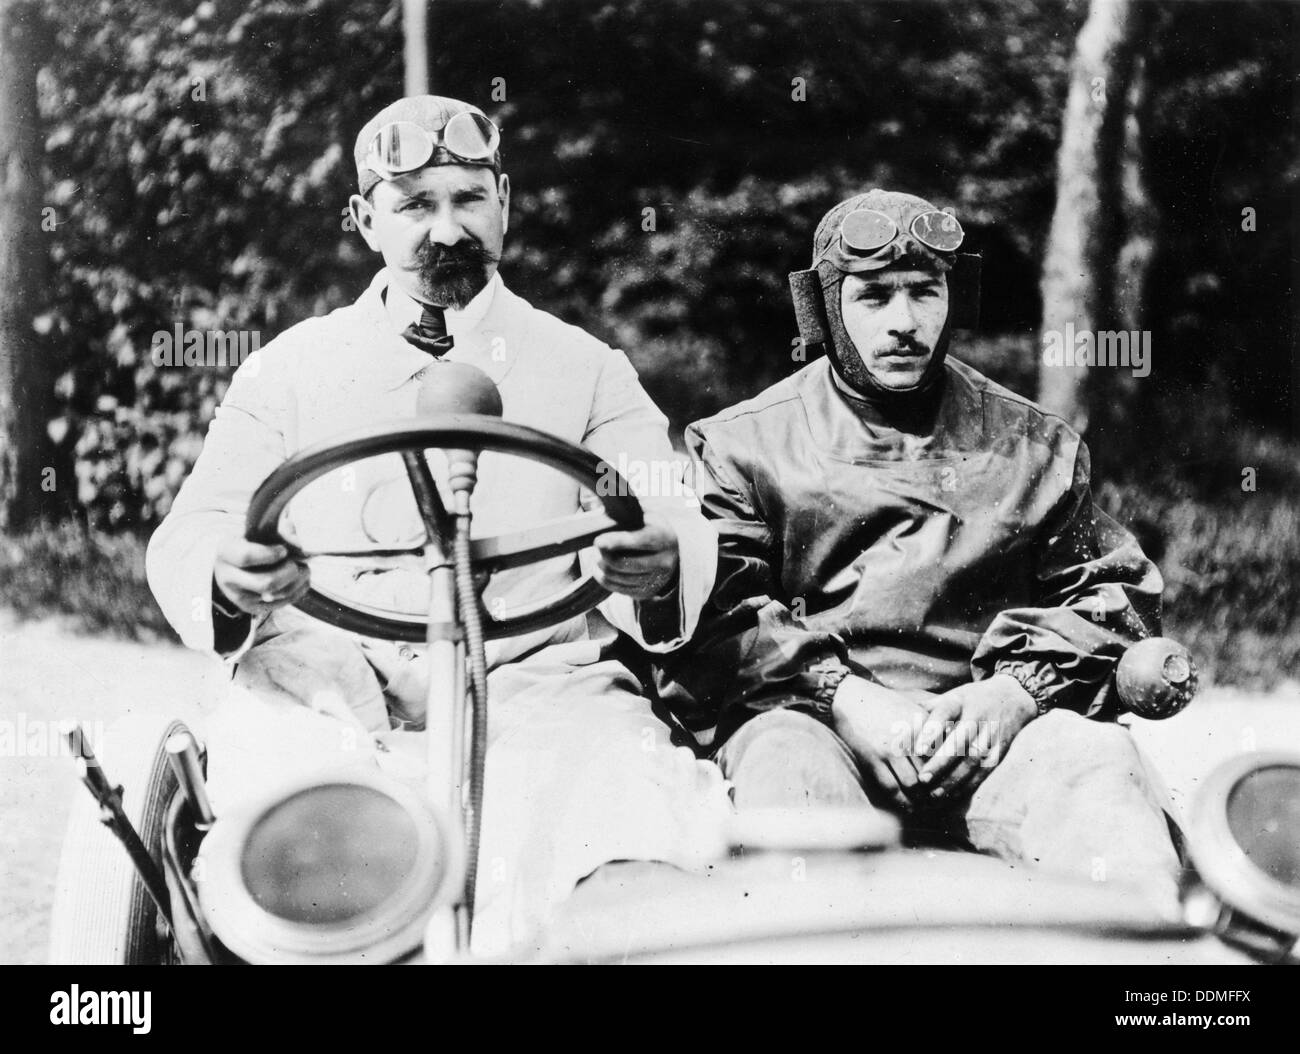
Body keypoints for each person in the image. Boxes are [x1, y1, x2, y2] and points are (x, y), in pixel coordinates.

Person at [146, 95, 726, 952]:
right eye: (415, 204)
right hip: (323, 690)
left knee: (623, 828)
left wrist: (661, 559)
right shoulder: (289, 372)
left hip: (537, 688)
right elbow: (199, 529)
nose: (446, 230)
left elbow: (668, 502)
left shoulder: (583, 368)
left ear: (505, 205)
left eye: (468, 199)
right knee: (291, 875)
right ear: (364, 219)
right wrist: (228, 573)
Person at [654, 188, 1182, 914]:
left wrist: (1015, 694)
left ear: (952, 297)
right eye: (873, 297)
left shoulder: (1033, 446)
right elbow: (719, 620)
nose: (904, 323)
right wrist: (845, 698)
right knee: (787, 779)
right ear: (825, 310)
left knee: (1097, 764)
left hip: (990, 735)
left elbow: (1113, 595)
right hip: (818, 727)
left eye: (923, 293)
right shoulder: (743, 447)